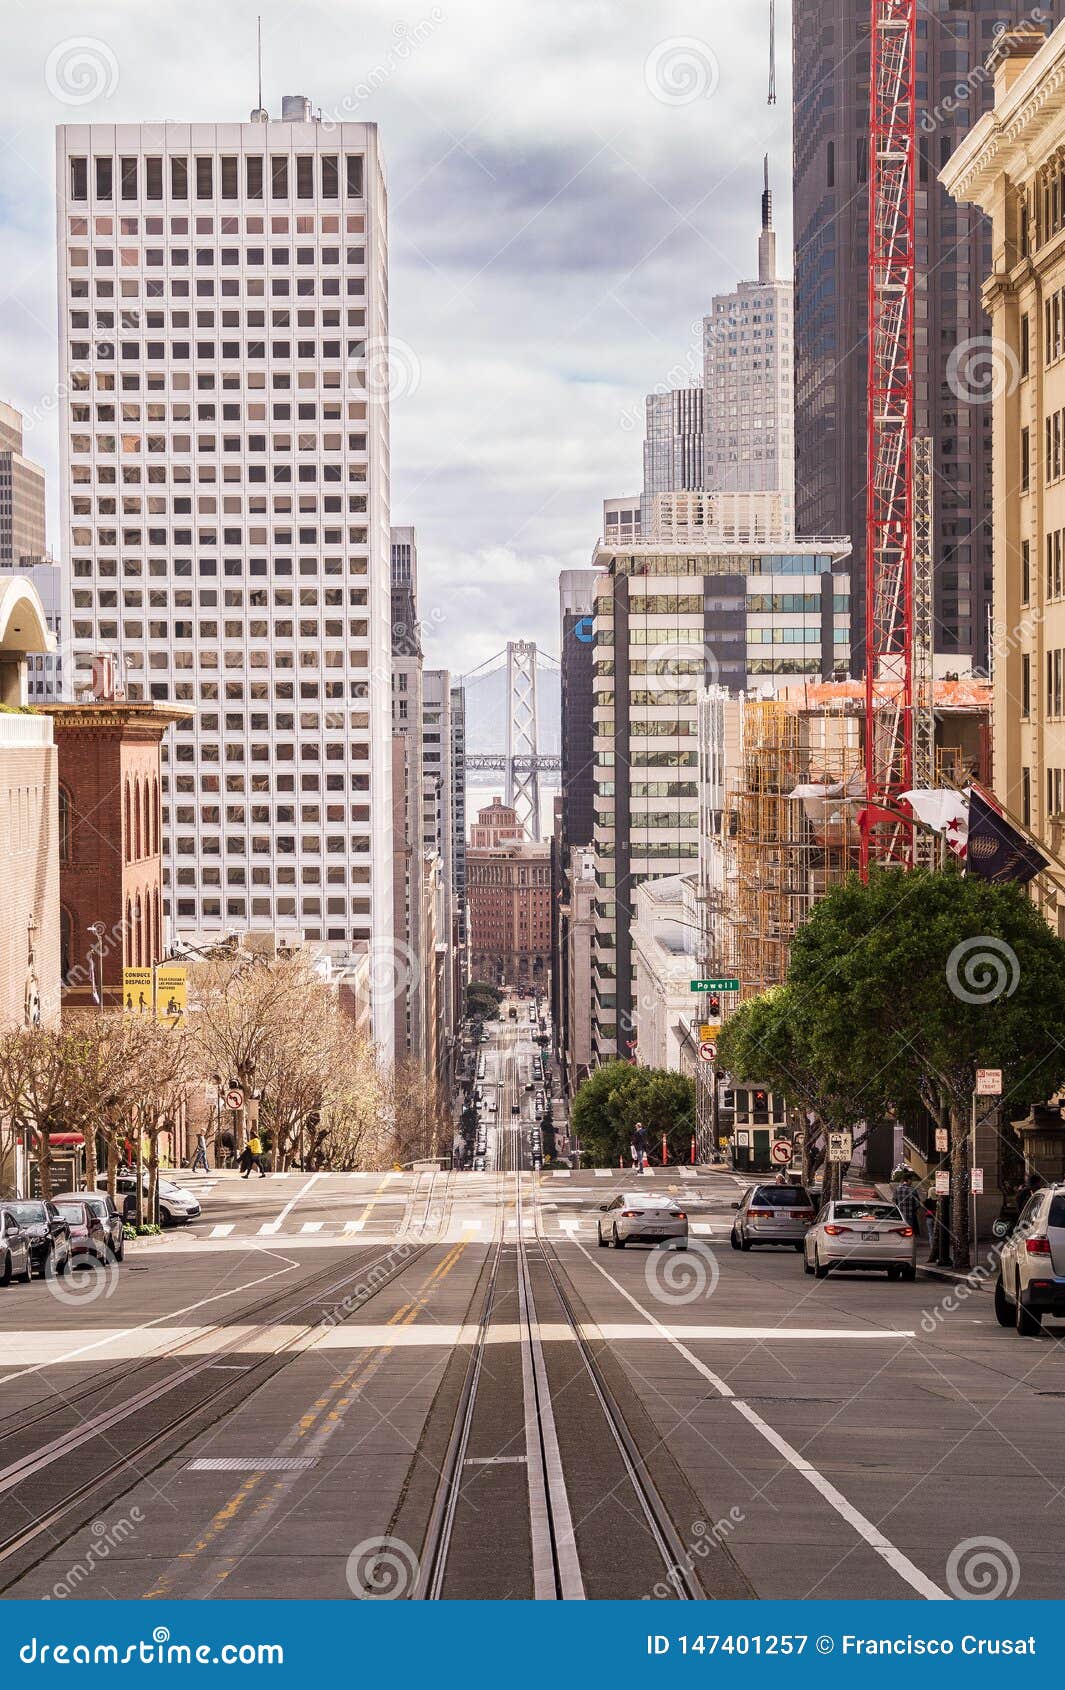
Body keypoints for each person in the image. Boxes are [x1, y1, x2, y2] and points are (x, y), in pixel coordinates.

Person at [894, 1172, 923, 1242]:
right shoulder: (912, 1190)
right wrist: (915, 1210)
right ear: (908, 1180)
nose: (912, 1182)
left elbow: (895, 1201)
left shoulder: (897, 1189)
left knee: (900, 1232)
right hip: (910, 1215)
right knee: (909, 1234)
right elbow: (917, 1204)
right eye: (911, 1180)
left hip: (900, 1216)